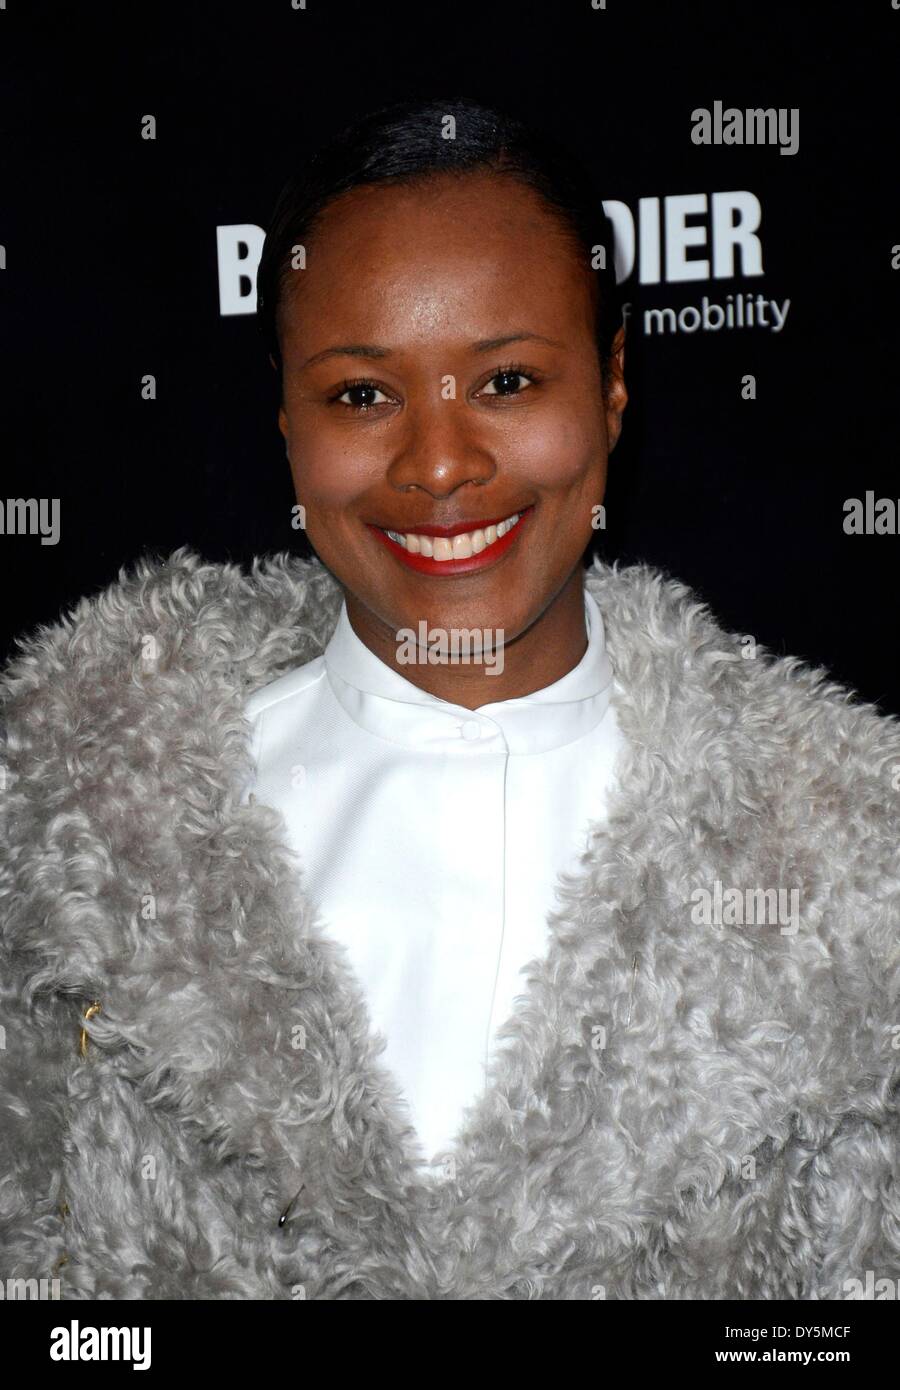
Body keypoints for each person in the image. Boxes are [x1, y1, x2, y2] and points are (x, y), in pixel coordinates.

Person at [1, 98, 898, 1301]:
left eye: (509, 379)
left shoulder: (852, 864)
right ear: (284, 416)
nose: (438, 464)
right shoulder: (67, 838)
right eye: (363, 396)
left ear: (614, 385)